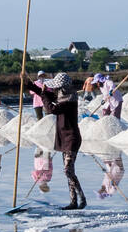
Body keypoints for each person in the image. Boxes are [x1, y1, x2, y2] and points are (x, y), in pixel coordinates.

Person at [27, 71, 85, 210]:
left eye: (55, 87)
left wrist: (44, 96)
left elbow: (51, 109)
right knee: (69, 171)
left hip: (72, 138)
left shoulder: (70, 99)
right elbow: (45, 94)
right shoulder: (62, 95)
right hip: (64, 138)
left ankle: (81, 198)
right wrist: (28, 84)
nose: (54, 90)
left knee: (68, 170)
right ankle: (73, 202)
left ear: (61, 88)